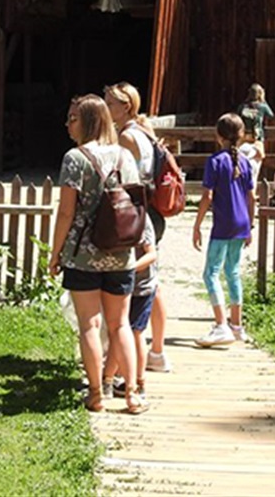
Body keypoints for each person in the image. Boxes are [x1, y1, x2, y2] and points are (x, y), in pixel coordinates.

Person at [48, 94, 147, 414]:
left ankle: (96, 394)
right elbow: (133, 202)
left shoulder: (74, 159)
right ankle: (131, 393)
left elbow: (66, 213)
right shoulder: (124, 157)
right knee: (120, 325)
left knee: (89, 325)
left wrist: (55, 253)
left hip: (83, 255)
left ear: (87, 121)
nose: (67, 124)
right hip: (120, 253)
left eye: (73, 119)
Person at [104, 82, 172, 374]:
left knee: (135, 284)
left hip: (136, 213)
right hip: (152, 212)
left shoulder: (127, 137)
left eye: (110, 104)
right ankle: (157, 351)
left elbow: (123, 179)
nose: (106, 109)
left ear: (125, 107)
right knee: (152, 282)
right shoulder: (145, 131)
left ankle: (125, 364)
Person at [192, 113, 254, 347]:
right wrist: (250, 225)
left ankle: (221, 325)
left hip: (223, 224)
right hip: (241, 224)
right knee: (233, 272)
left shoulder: (215, 161)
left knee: (211, 273)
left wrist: (197, 225)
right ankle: (237, 326)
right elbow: (251, 197)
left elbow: (207, 196)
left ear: (218, 136)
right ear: (241, 136)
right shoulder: (245, 162)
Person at [100, 221, 158, 402]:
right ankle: (109, 382)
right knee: (119, 331)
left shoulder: (140, 217)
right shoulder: (131, 214)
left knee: (134, 333)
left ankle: (137, 383)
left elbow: (151, 254)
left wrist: (128, 269)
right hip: (123, 285)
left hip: (141, 287)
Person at [235, 84, 274, 153]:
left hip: (244, 135)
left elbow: (237, 116)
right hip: (257, 136)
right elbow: (271, 115)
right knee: (259, 155)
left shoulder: (242, 106)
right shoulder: (262, 106)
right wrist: (263, 100)